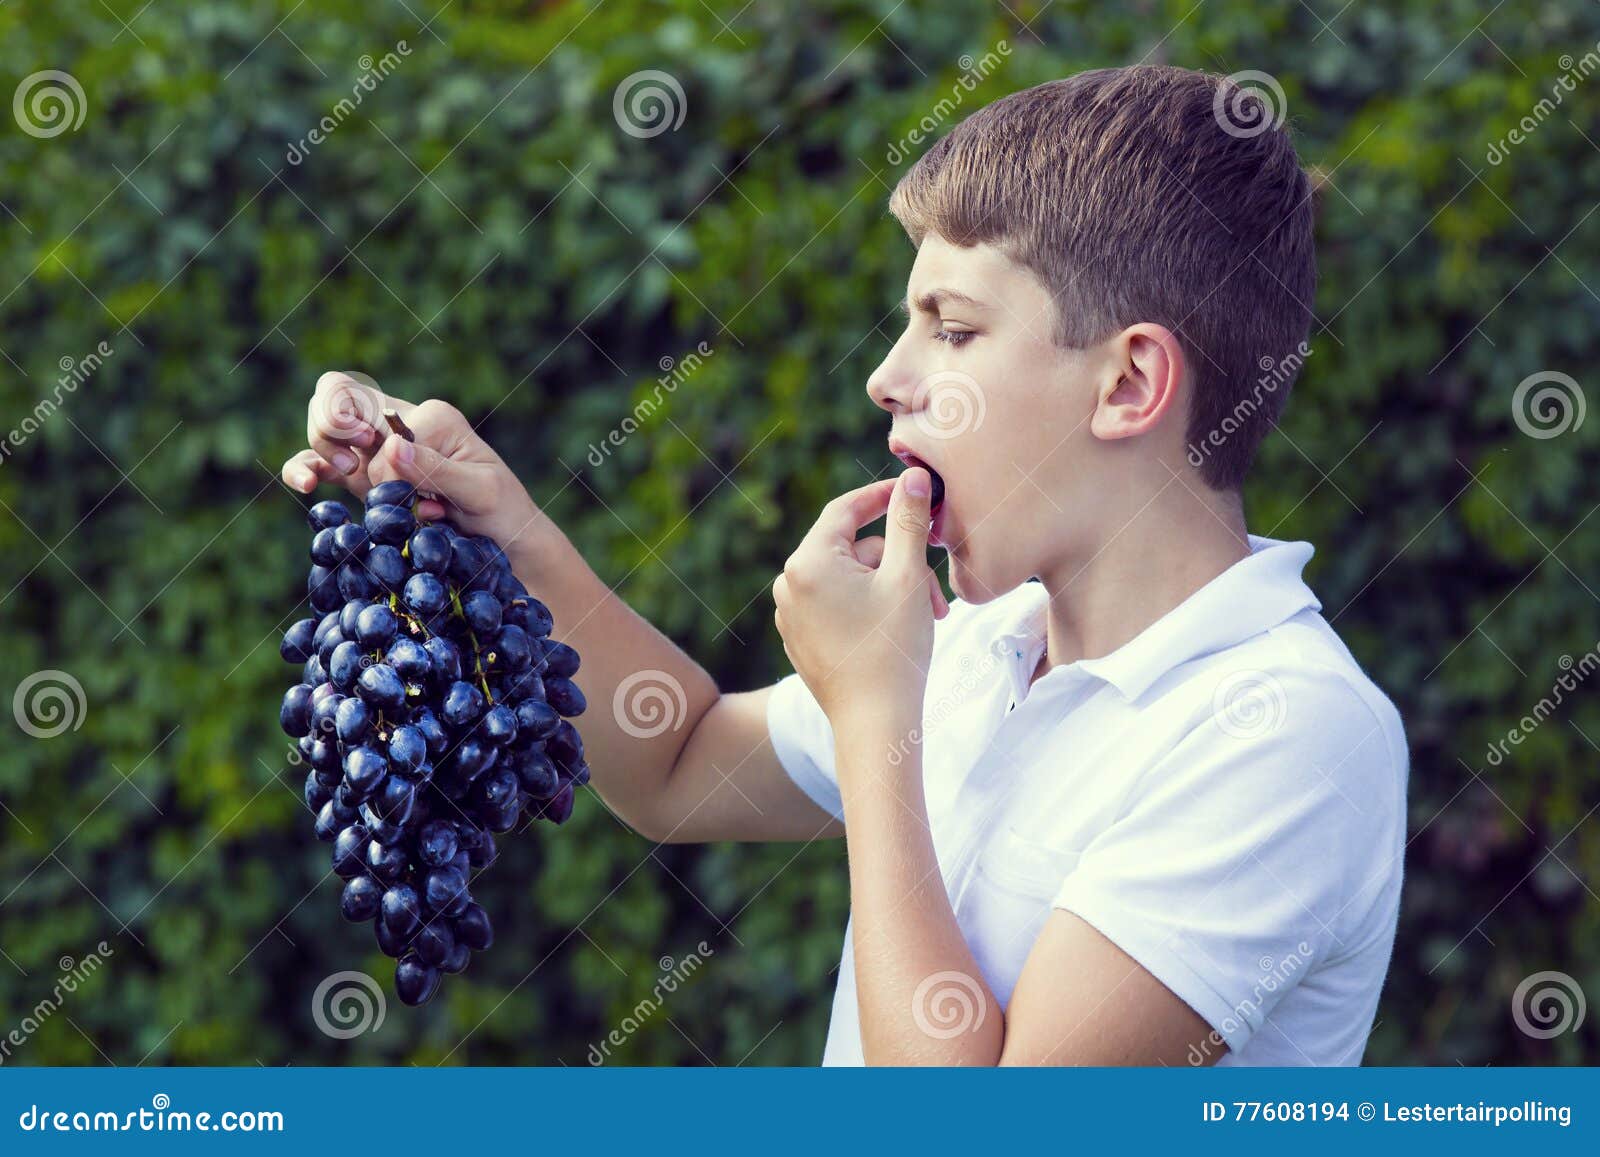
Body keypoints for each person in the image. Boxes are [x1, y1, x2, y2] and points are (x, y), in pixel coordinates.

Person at [281, 64, 1406, 1066]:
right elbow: (678, 764)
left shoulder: (1286, 733)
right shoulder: (982, 641)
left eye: (951, 329)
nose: (885, 375)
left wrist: (875, 717)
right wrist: (499, 520)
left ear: (1125, 385)